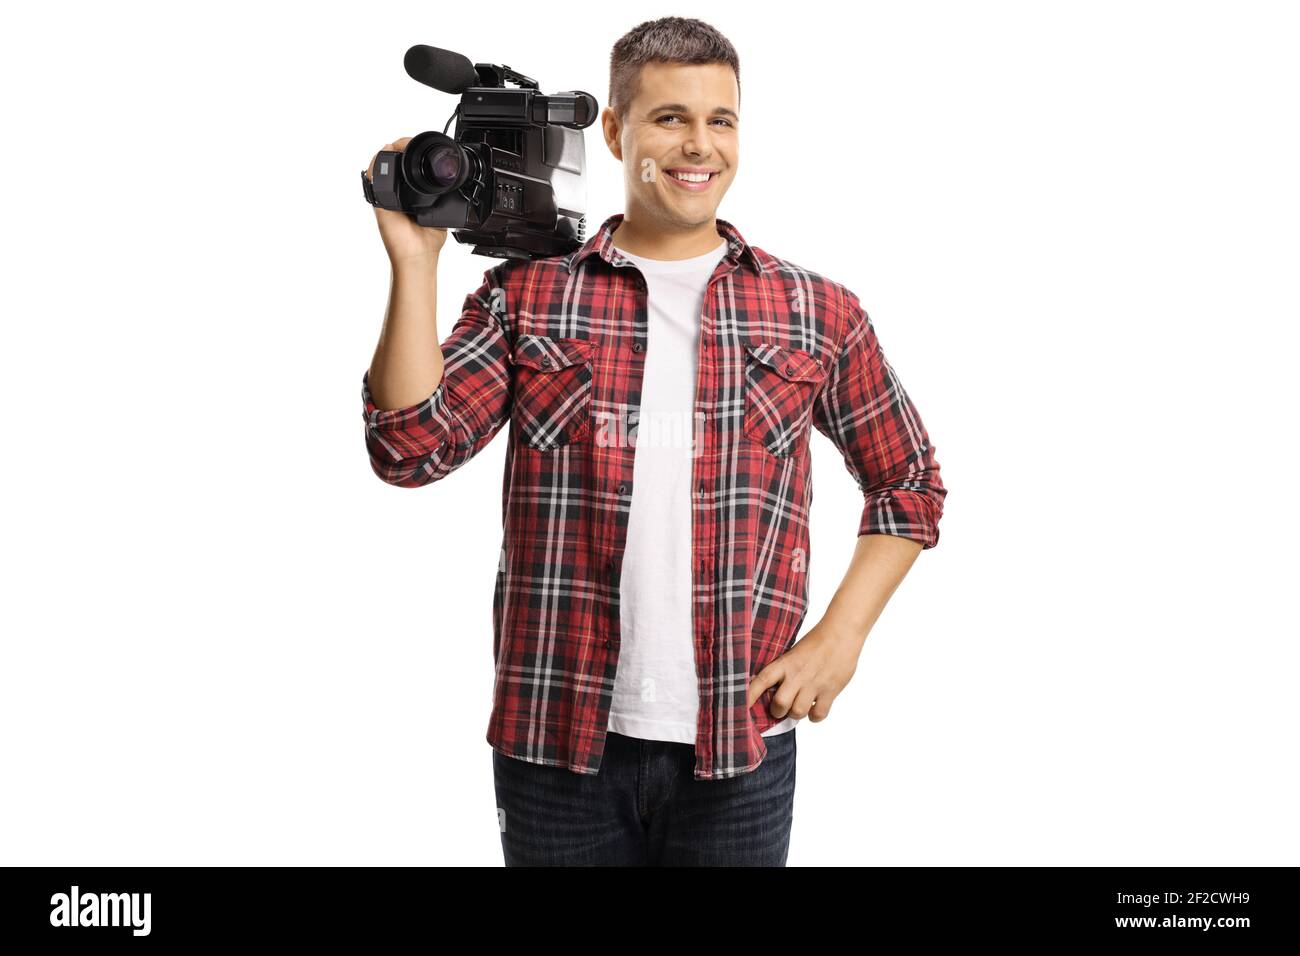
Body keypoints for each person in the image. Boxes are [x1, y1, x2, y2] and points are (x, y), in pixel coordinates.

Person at [360, 16, 947, 866]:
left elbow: (910, 480)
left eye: (721, 120)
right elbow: (409, 449)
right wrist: (415, 265)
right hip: (553, 738)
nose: (698, 145)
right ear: (614, 129)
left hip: (742, 737)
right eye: (671, 117)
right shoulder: (528, 295)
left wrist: (841, 636)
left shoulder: (815, 311)